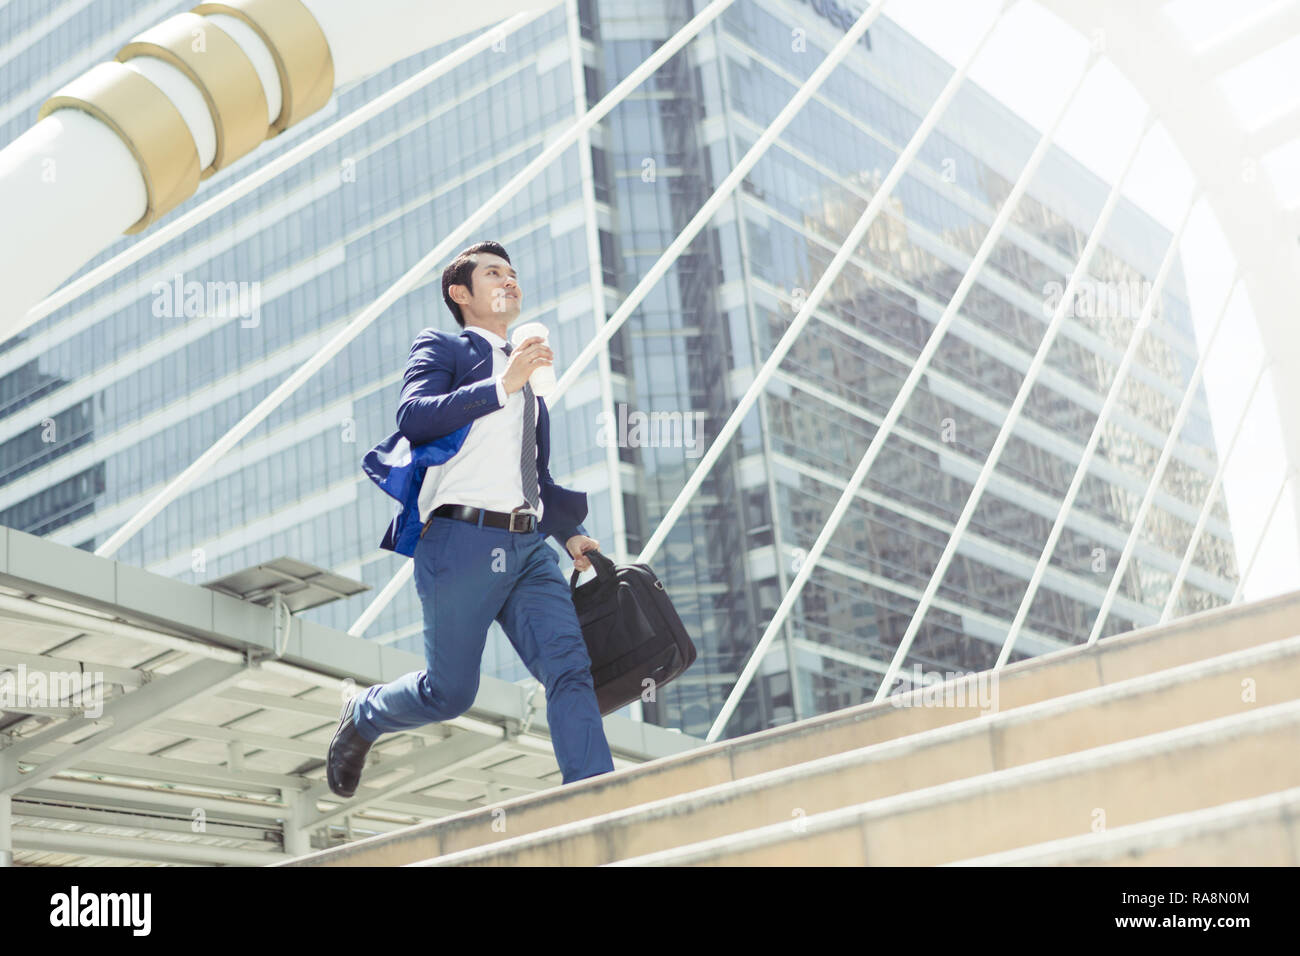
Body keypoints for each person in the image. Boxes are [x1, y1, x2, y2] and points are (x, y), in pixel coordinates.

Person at [328, 240, 615, 797]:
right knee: (451, 693)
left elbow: (535, 475)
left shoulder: (530, 385)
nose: (509, 281)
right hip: (460, 540)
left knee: (571, 668)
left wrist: (570, 534)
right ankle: (364, 713)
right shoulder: (446, 349)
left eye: (513, 273)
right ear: (461, 294)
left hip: (530, 548)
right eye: (493, 273)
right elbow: (414, 416)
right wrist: (501, 385)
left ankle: (593, 794)